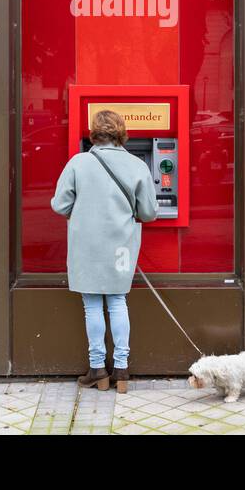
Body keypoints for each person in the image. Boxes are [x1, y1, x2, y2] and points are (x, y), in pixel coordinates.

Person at [51, 109, 159, 392]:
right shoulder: (137, 165)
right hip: (120, 246)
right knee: (117, 302)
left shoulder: (78, 162)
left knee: (92, 306)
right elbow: (148, 213)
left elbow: (60, 205)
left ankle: (97, 369)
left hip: (86, 245)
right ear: (121, 132)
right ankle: (121, 369)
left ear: (94, 133)